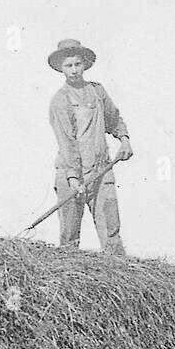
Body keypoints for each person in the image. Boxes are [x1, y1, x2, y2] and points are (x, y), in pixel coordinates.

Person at [47, 38, 132, 254]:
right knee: (69, 236)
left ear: (84, 64)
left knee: (111, 232)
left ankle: (119, 279)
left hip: (101, 170)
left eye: (77, 64)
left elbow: (114, 119)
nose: (74, 70)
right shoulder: (60, 100)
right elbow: (67, 142)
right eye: (68, 66)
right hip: (71, 174)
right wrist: (74, 178)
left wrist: (124, 139)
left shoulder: (98, 91)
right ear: (61, 68)